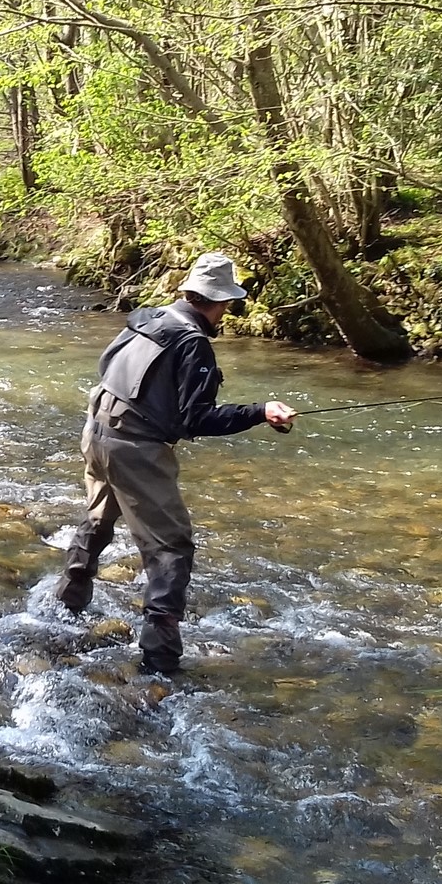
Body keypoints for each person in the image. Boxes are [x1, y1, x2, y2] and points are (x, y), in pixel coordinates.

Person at [60, 251, 296, 674]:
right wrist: (261, 412)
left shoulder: (149, 319)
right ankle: (161, 654)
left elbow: (106, 369)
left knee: (99, 517)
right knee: (171, 546)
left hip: (96, 432)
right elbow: (197, 419)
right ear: (217, 301)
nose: (227, 312)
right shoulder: (193, 343)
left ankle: (68, 601)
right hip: (135, 448)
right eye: (227, 304)